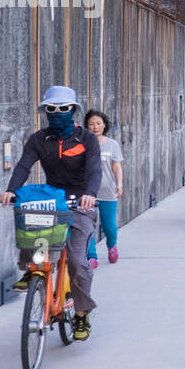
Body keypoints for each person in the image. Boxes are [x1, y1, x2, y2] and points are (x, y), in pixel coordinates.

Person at [0, 85, 100, 342]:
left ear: (73, 111)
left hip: (80, 203)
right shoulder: (38, 139)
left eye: (63, 109)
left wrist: (90, 193)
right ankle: (31, 270)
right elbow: (23, 166)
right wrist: (11, 190)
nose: (57, 113)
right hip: (53, 201)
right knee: (29, 217)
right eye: (51, 109)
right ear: (45, 111)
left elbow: (95, 170)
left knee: (77, 262)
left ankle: (80, 313)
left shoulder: (86, 138)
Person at [83, 109, 123, 269]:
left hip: (108, 191)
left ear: (104, 125)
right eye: (91, 124)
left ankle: (112, 245)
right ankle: (91, 256)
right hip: (87, 193)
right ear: (87, 126)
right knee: (87, 227)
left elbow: (116, 166)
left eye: (98, 123)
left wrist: (119, 184)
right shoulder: (82, 144)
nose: (95, 127)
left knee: (110, 227)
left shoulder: (112, 144)